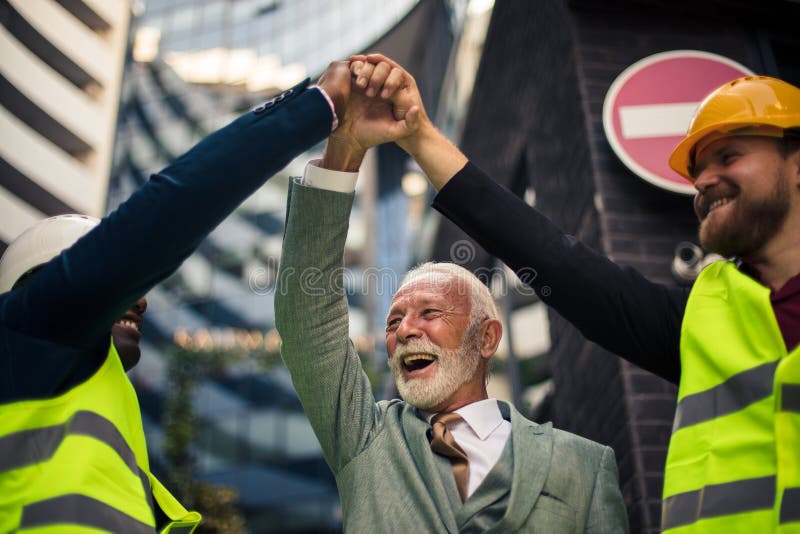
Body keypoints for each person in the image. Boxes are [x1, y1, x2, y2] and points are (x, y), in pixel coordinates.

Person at [349, 54, 800, 532]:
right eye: (699, 170)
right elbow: (553, 260)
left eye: (729, 156)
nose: (704, 180)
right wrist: (417, 136)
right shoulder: (705, 315)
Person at [0, 61, 354, 533]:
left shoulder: (122, 453)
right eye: (119, 289)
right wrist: (317, 106)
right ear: (43, 284)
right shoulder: (31, 328)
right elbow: (167, 213)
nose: (141, 300)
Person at [274, 69, 629, 533]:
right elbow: (308, 322)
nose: (404, 331)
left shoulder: (584, 464)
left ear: (486, 337)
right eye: (393, 321)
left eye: (429, 313)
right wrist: (345, 149)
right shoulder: (366, 438)